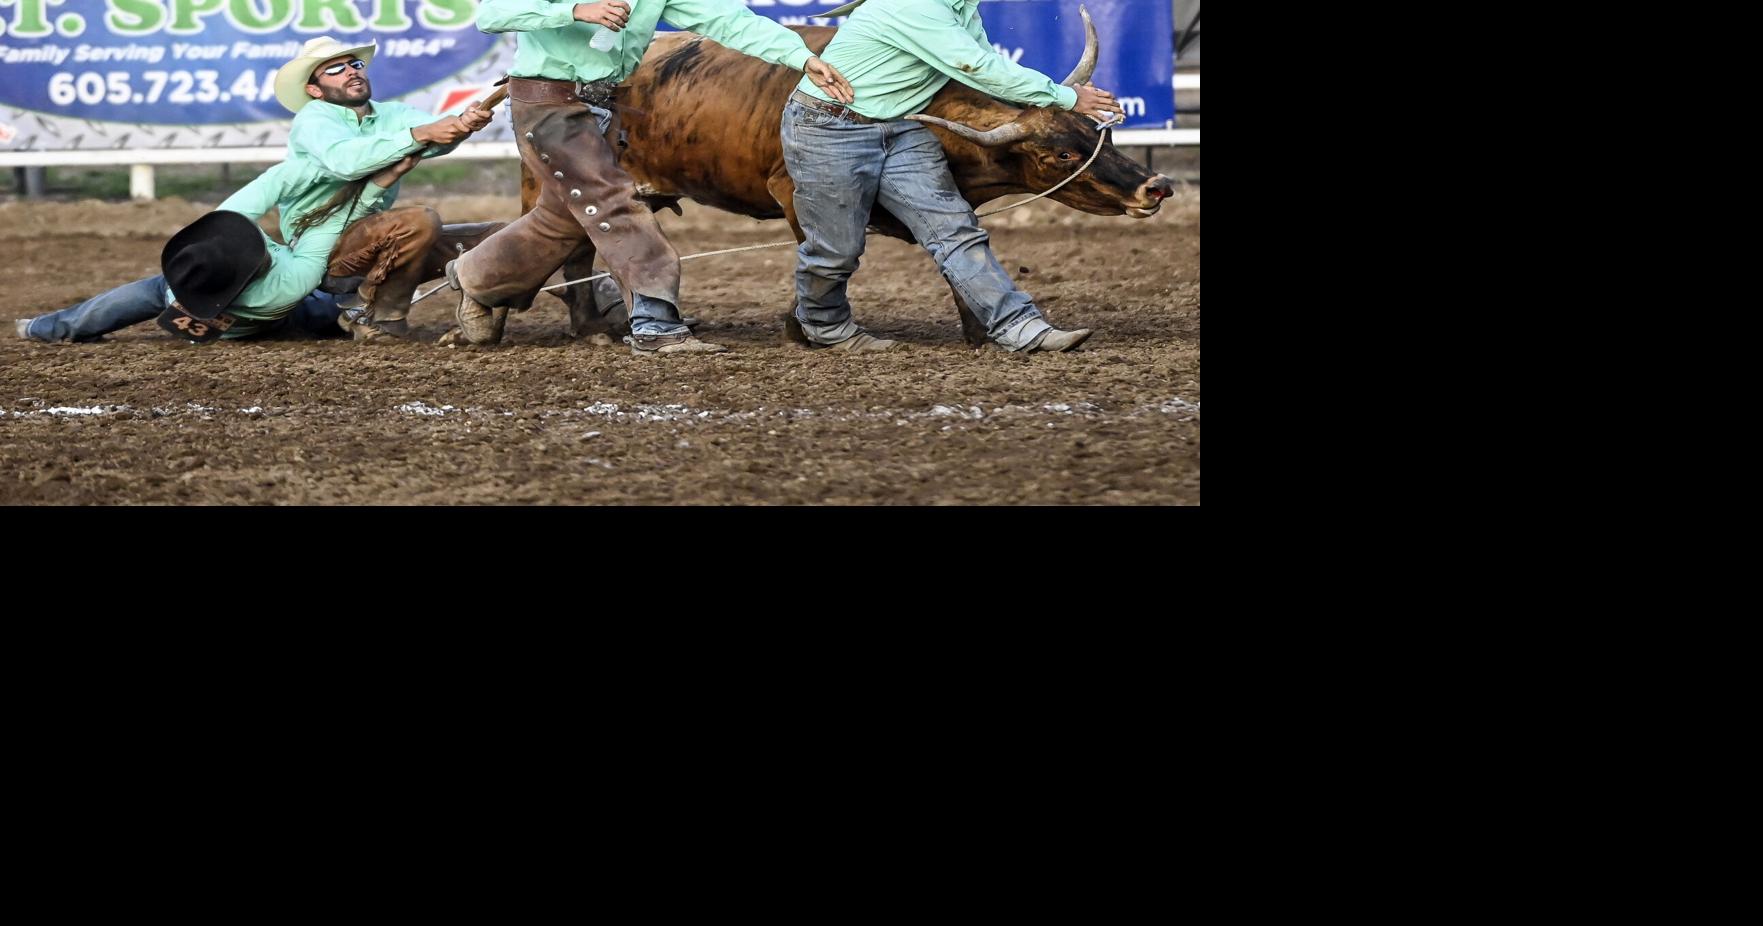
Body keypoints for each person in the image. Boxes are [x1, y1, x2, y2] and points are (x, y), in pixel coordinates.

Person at [447, 0, 856, 355]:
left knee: (560, 222)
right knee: (615, 202)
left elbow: (729, 20)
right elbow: (494, 13)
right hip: (549, 103)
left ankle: (473, 276)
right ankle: (655, 325)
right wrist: (573, 10)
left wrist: (802, 58)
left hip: (603, 104)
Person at [781, 0, 1122, 353]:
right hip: (828, 127)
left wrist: (1054, 98)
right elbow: (975, 66)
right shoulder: (914, 6)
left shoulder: (960, 8)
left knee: (955, 227)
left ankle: (1020, 327)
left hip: (900, 125)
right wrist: (1065, 97)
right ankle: (824, 324)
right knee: (836, 249)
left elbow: (985, 70)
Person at [15, 155, 421, 344]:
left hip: (186, 299)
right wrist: (381, 177)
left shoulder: (191, 270)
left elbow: (257, 193)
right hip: (266, 317)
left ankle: (46, 327)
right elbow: (330, 226)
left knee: (124, 301)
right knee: (336, 308)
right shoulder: (286, 283)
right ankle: (364, 312)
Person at [278, 35, 506, 340]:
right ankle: (375, 316)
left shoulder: (391, 115)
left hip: (376, 243)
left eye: (355, 64)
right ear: (314, 90)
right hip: (321, 252)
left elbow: (434, 135)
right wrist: (424, 133)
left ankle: (480, 318)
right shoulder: (313, 120)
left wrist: (461, 124)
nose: (351, 71)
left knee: (498, 239)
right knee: (418, 222)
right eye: (335, 69)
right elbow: (348, 161)